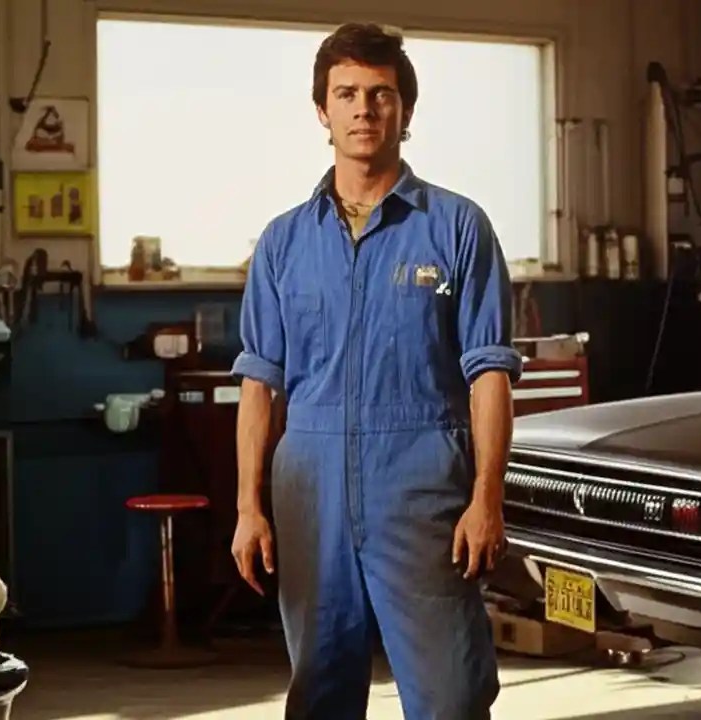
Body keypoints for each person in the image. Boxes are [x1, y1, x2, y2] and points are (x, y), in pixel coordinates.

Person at [230, 22, 521, 720]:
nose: (364, 108)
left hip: (422, 485)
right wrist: (249, 505)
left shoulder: (457, 227)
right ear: (322, 111)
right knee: (320, 692)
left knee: (450, 697)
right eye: (347, 93)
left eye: (381, 94)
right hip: (310, 490)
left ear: (406, 111)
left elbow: (490, 375)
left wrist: (487, 497)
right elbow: (259, 382)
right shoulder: (283, 242)